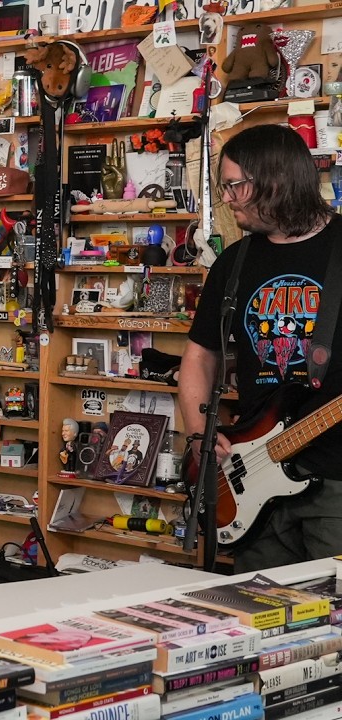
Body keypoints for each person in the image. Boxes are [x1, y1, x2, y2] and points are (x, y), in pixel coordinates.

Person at [179, 123, 342, 572]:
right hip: (254, 470)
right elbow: (200, 354)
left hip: (336, 477)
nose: (227, 198)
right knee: (257, 614)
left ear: (273, 180)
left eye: (233, 186)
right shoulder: (237, 260)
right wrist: (199, 433)